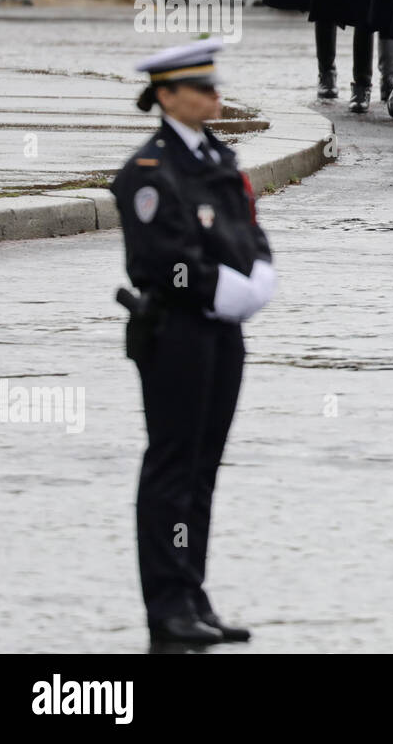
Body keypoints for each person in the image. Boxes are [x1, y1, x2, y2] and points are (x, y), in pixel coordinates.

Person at [109, 39, 274, 646]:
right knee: (172, 466)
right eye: (201, 88)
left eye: (213, 85)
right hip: (176, 328)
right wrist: (218, 288)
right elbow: (162, 258)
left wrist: (260, 272)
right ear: (168, 96)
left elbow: (247, 227)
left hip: (221, 330)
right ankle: (166, 605)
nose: (214, 96)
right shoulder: (148, 171)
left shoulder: (216, 156)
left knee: (203, 467)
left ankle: (192, 593)